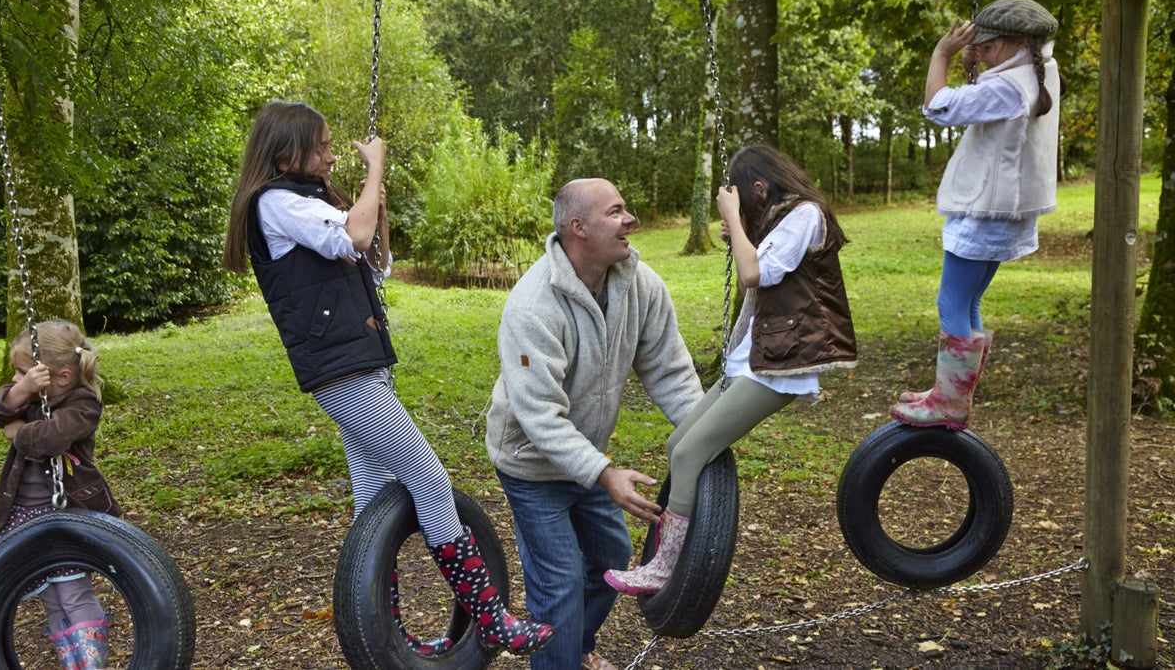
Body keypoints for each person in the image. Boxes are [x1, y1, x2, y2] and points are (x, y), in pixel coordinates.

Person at [222, 100, 552, 657]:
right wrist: (375, 170)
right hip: (342, 370)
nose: (331, 153)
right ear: (285, 154)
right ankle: (490, 617)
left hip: (359, 364)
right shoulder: (276, 203)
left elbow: (372, 259)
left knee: (372, 503)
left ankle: (382, 640)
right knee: (428, 479)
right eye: (322, 145)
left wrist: (373, 199)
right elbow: (350, 238)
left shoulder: (309, 200)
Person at [604, 144, 858, 596]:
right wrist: (741, 230)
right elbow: (762, 263)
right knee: (678, 441)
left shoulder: (807, 215)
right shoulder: (786, 217)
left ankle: (666, 565)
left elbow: (753, 273)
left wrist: (737, 224)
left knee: (688, 454)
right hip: (756, 358)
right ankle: (684, 542)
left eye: (741, 201)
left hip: (781, 369)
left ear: (758, 189)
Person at [485, 178, 705, 670]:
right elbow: (539, 417)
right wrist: (606, 473)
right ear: (578, 228)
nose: (630, 220)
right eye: (617, 211)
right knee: (558, 581)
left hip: (585, 454)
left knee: (611, 557)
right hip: (532, 464)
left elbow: (668, 368)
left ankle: (575, 647)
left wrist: (705, 433)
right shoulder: (532, 305)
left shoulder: (638, 282)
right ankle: (558, 659)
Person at [891, 0, 1060, 429]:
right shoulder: (1038, 74)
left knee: (951, 301)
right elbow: (984, 102)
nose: (981, 51)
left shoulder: (1006, 86)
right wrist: (975, 62)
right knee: (969, 300)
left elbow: (938, 106)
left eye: (988, 45)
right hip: (1004, 213)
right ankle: (952, 393)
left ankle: (950, 402)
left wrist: (941, 55)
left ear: (1019, 41)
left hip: (983, 214)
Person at [0, 320, 119, 668]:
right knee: (50, 597)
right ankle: (71, 662)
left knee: (74, 592)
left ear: (59, 377)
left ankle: (91, 664)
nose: (17, 380)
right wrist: (20, 391)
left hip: (65, 513)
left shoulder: (83, 404)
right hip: (24, 516)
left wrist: (18, 433)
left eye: (23, 373)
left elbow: (51, 439)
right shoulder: (30, 399)